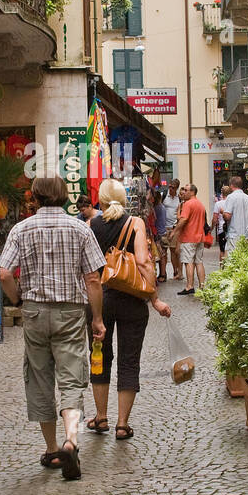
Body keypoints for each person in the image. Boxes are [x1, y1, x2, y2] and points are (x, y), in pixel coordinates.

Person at [0, 176, 106, 482]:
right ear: (64, 196)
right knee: (71, 378)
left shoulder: (21, 229)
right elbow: (93, 279)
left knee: (40, 377)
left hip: (34, 311)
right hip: (70, 312)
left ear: (34, 197)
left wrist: (17, 298)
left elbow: (5, 273)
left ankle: (52, 449)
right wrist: (96, 319)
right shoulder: (79, 229)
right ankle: (71, 441)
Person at [86, 179, 171, 440]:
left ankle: (101, 418)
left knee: (99, 357)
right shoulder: (135, 223)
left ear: (99, 200)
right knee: (129, 360)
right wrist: (155, 299)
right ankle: (122, 424)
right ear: (125, 200)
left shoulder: (90, 225)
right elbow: (144, 263)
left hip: (100, 300)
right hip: (132, 301)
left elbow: (87, 269)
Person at [171, 183, 208, 295]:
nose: (184, 192)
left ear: (192, 192)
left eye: (186, 190)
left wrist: (174, 231)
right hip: (200, 237)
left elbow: (183, 220)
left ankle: (189, 286)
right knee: (199, 262)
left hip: (189, 237)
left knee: (188, 262)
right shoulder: (200, 204)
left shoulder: (188, 204)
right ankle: (202, 286)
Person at [223, 175, 248, 255]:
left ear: (231, 185)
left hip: (235, 234)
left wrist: (223, 213)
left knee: (233, 258)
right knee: (244, 258)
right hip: (247, 234)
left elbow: (227, 216)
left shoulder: (231, 197)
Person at [158, 178, 182, 281]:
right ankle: (163, 273)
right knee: (163, 251)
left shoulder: (179, 198)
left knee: (174, 251)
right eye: (170, 186)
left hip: (174, 227)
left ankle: (175, 271)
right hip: (164, 227)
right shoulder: (164, 195)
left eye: (173, 187)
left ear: (177, 188)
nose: (171, 189)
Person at [212, 183, 231, 263]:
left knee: (222, 251)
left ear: (222, 193)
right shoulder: (231, 202)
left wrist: (211, 228)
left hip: (221, 230)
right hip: (231, 229)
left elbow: (215, 219)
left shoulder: (218, 204)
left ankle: (222, 269)